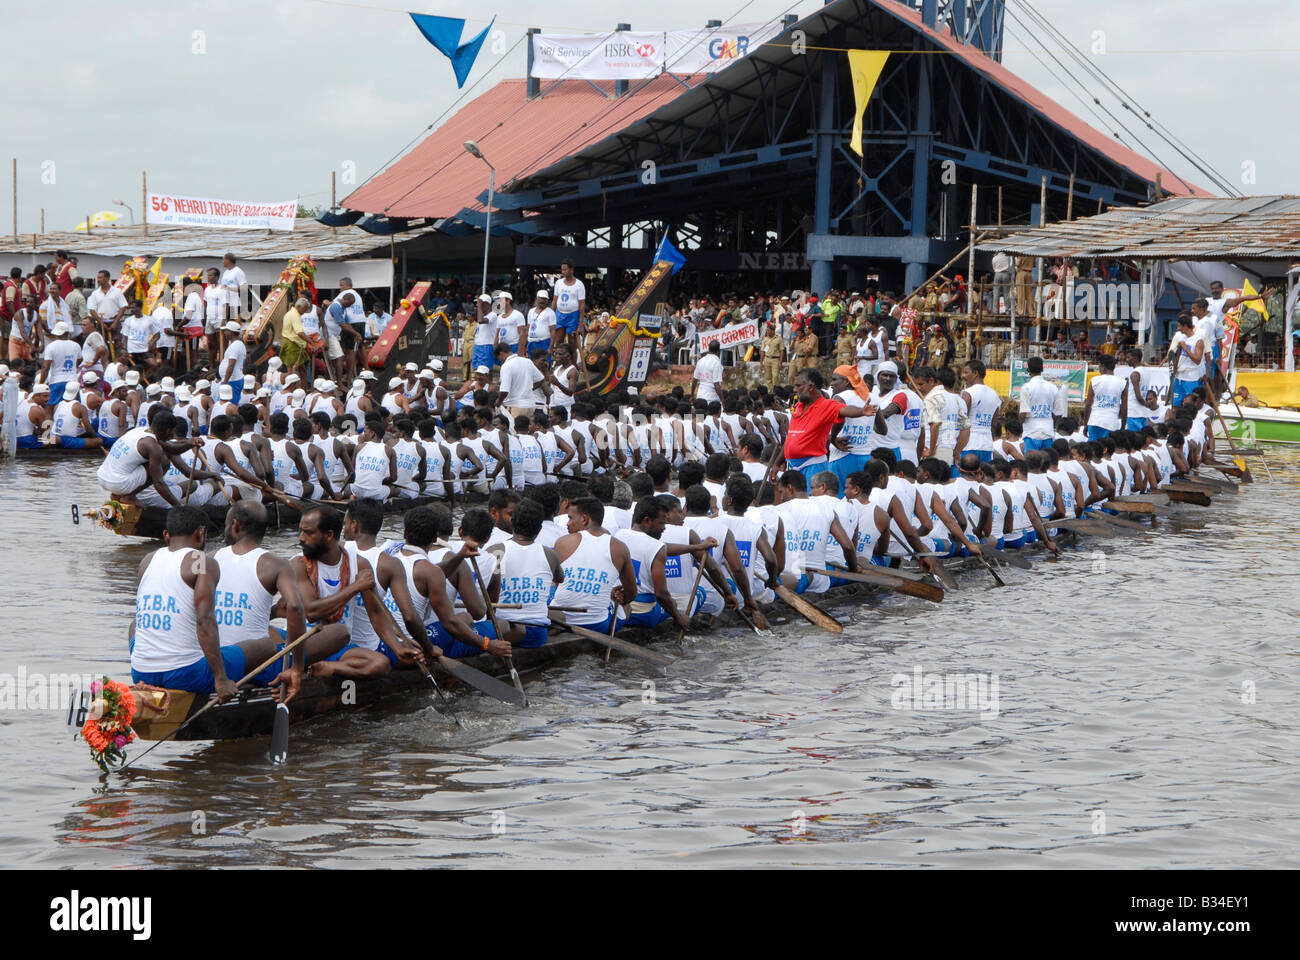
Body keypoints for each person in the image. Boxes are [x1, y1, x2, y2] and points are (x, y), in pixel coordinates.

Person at [130, 506, 332, 701]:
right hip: (186, 675)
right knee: (266, 646)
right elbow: (204, 619)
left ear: (166, 535)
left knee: (135, 624)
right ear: (200, 534)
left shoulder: (148, 560)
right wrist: (221, 680)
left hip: (140, 672)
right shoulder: (202, 560)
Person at [1018, 356, 1066, 452]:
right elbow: (1058, 414)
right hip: (1047, 432)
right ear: (1042, 369)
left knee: (1032, 464)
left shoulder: (1026, 387)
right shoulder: (1053, 387)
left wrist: (1020, 424)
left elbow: (1023, 414)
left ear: (1028, 370)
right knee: (1046, 464)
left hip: (1031, 432)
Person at [1081, 353, 1127, 441]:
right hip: (1112, 422)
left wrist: (1086, 424)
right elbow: (1124, 407)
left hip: (1095, 421)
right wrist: (1123, 427)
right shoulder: (1123, 382)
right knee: (1108, 451)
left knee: (1094, 451)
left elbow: (1088, 404)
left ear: (1103, 366)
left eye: (1099, 366)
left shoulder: (1094, 380)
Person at [552, 259, 586, 351]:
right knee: (559, 341)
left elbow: (582, 305)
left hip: (573, 316)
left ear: (571, 270)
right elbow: (555, 300)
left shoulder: (579, 285)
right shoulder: (558, 283)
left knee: (572, 343)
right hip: (560, 314)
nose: (563, 272)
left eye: (565, 269)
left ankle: (573, 363)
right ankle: (558, 362)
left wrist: (580, 324)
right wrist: (551, 315)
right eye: (562, 270)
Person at [692, 340, 724, 405]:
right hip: (712, 399)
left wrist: (692, 395)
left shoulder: (700, 361)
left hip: (700, 396)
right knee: (711, 415)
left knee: (700, 415)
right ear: (719, 350)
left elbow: (694, 380)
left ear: (708, 349)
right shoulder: (716, 363)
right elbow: (716, 384)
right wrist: (723, 401)